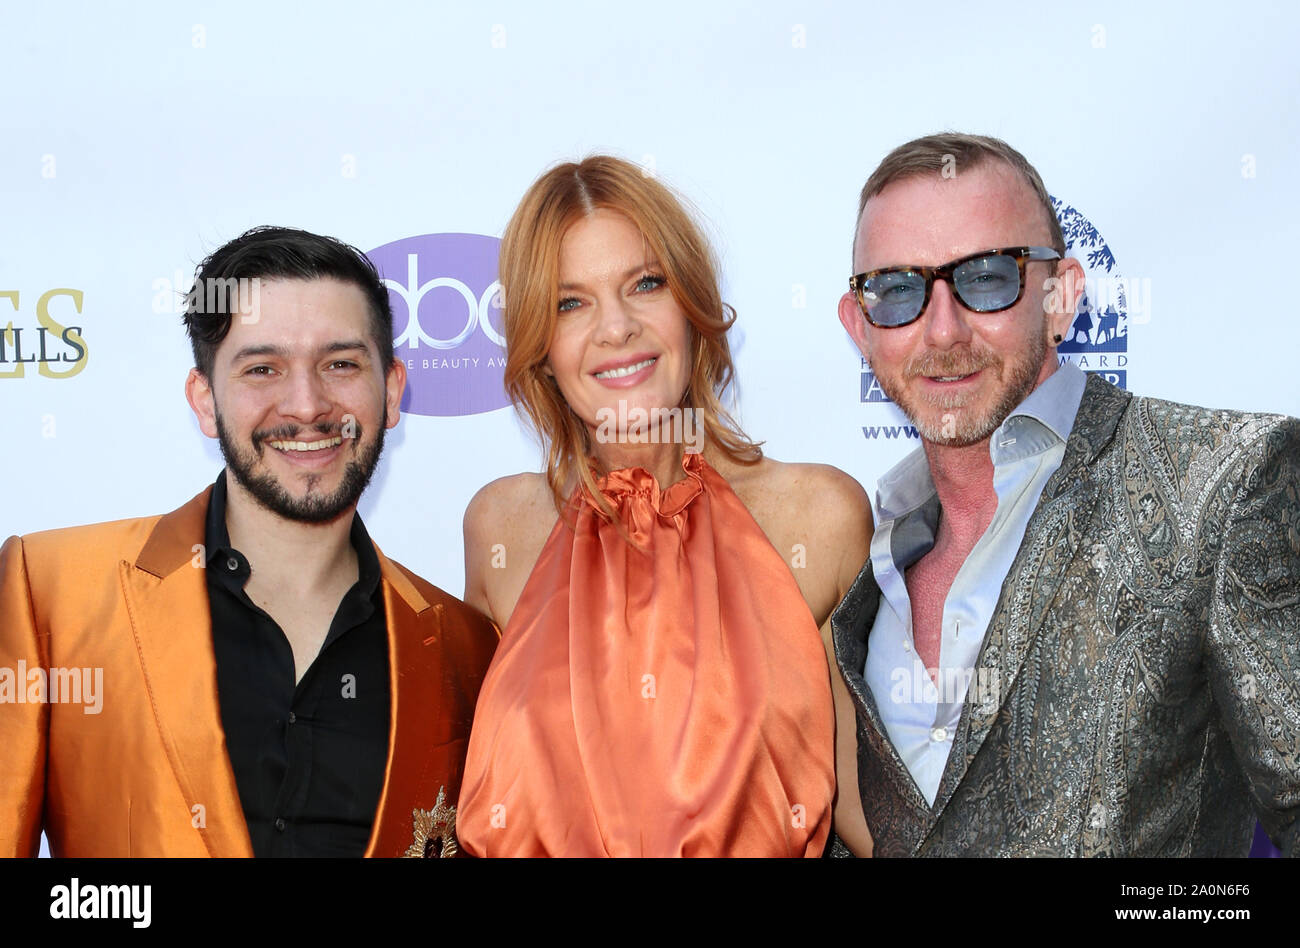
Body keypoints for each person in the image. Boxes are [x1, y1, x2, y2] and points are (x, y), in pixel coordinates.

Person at [833, 132, 1300, 856]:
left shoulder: (1224, 482)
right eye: (898, 291)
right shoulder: (858, 571)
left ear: (1061, 296)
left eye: (986, 278)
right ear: (859, 326)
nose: (943, 328)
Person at [0, 226, 497, 858]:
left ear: (392, 389)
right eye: (263, 368)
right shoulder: (51, 592)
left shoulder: (465, 647)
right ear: (204, 401)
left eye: (340, 364)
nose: (307, 404)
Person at [456, 156, 873, 856]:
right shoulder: (501, 529)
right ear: (540, 347)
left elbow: (869, 814)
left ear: (692, 305)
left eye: (645, 284)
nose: (615, 328)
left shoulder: (817, 517)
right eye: (570, 303)